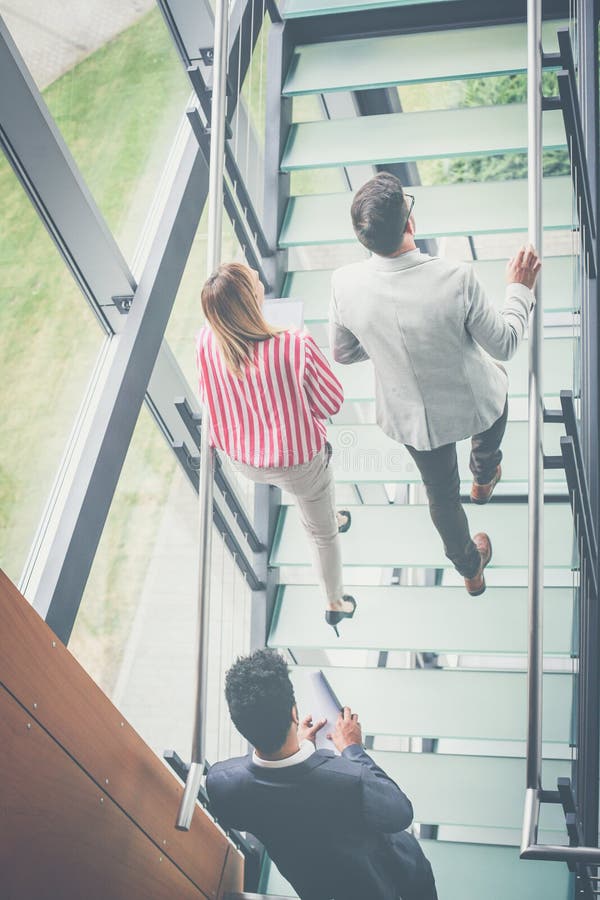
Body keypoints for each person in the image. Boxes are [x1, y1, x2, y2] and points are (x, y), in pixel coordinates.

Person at [329, 173, 541, 595]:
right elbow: (505, 345)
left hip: (412, 422)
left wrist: (389, 344)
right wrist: (519, 288)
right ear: (410, 223)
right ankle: (484, 477)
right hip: (473, 403)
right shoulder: (454, 279)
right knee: (496, 400)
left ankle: (470, 569)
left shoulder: (344, 284)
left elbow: (344, 352)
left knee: (441, 496)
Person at [196, 262, 356, 634]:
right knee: (321, 533)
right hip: (298, 461)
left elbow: (211, 397)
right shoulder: (293, 345)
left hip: (246, 460)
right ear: (253, 301)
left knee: (315, 505)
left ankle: (332, 516)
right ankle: (334, 602)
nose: (258, 276)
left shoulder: (205, 342)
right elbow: (331, 403)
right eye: (255, 281)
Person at [206, 648, 438, 900]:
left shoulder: (222, 783)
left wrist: (299, 751)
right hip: (393, 883)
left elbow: (284, 802)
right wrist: (353, 749)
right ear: (295, 713)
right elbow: (401, 813)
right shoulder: (349, 780)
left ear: (240, 723)